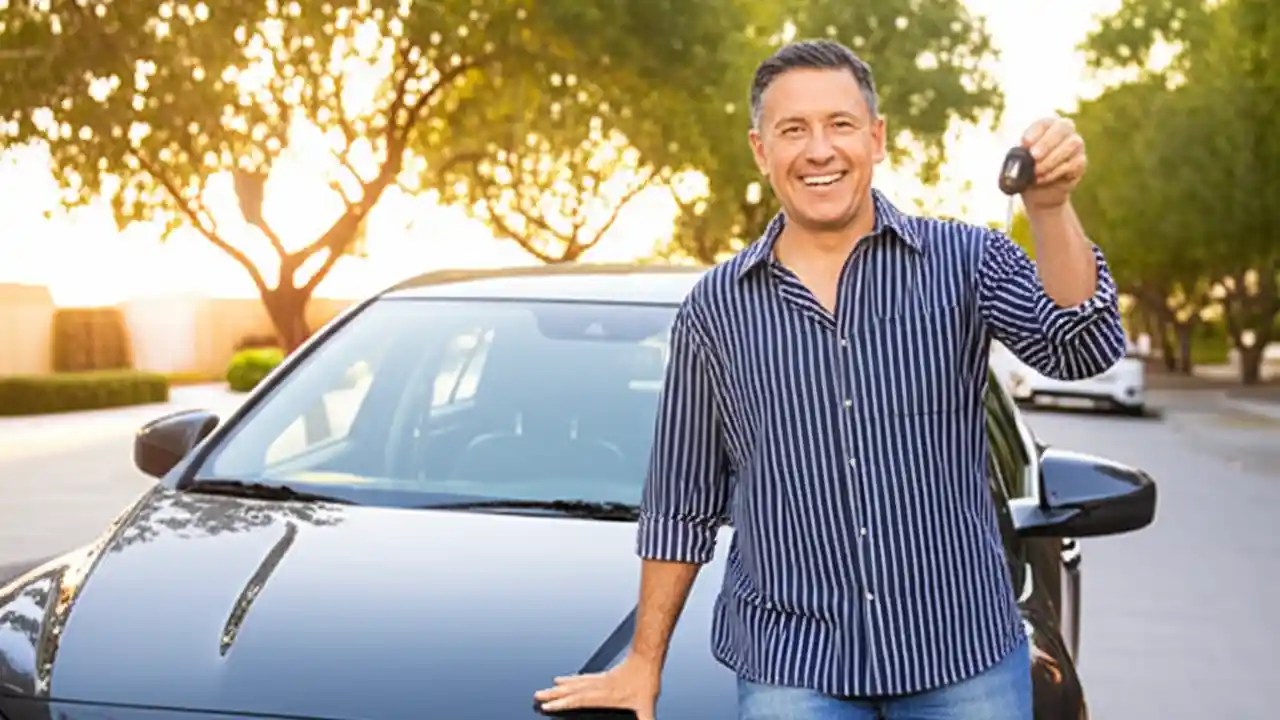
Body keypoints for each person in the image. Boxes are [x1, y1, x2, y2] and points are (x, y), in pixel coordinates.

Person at [533, 38, 1125, 719]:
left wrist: (1049, 211)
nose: (819, 150)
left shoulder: (966, 262)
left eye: (840, 125)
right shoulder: (716, 311)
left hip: (963, 658)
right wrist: (644, 661)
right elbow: (680, 503)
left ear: (876, 139)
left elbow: (1083, 347)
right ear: (762, 151)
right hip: (794, 669)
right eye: (794, 130)